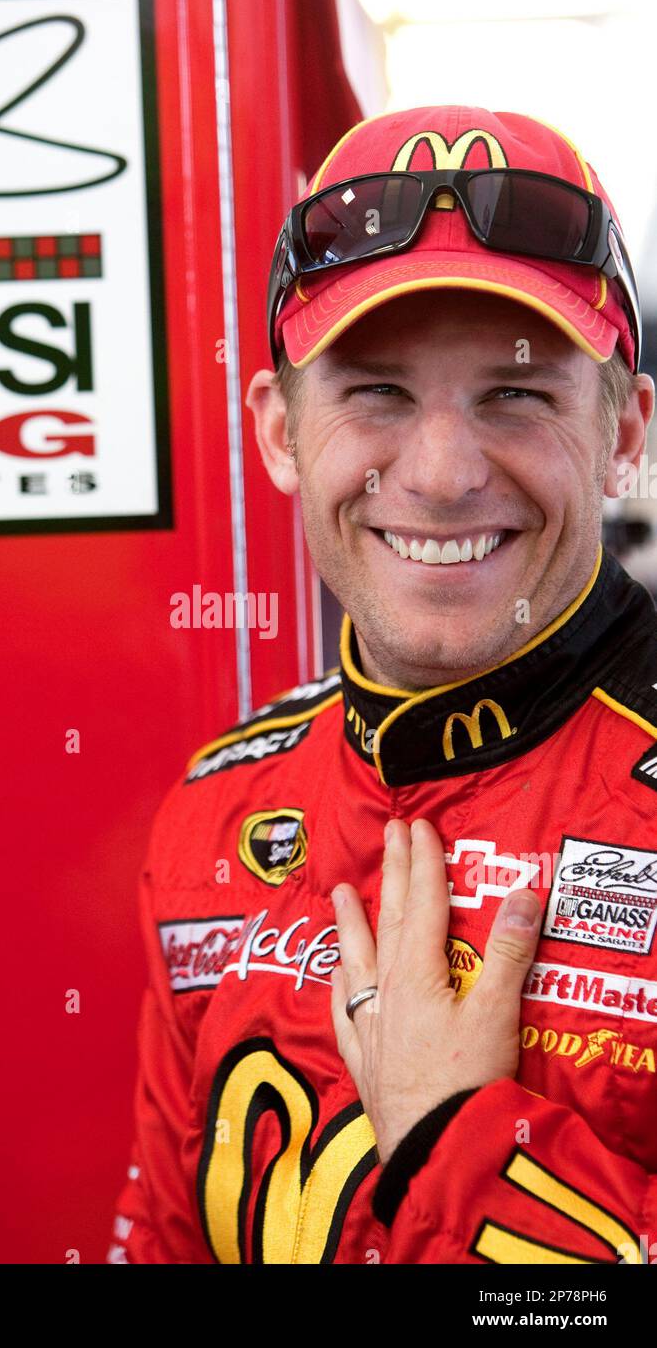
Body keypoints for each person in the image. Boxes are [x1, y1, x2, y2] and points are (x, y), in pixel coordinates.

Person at [107, 105, 657, 1265]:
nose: (444, 475)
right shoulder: (213, 813)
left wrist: (457, 1142)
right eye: (375, 392)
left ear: (623, 432)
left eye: (516, 393)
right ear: (277, 432)